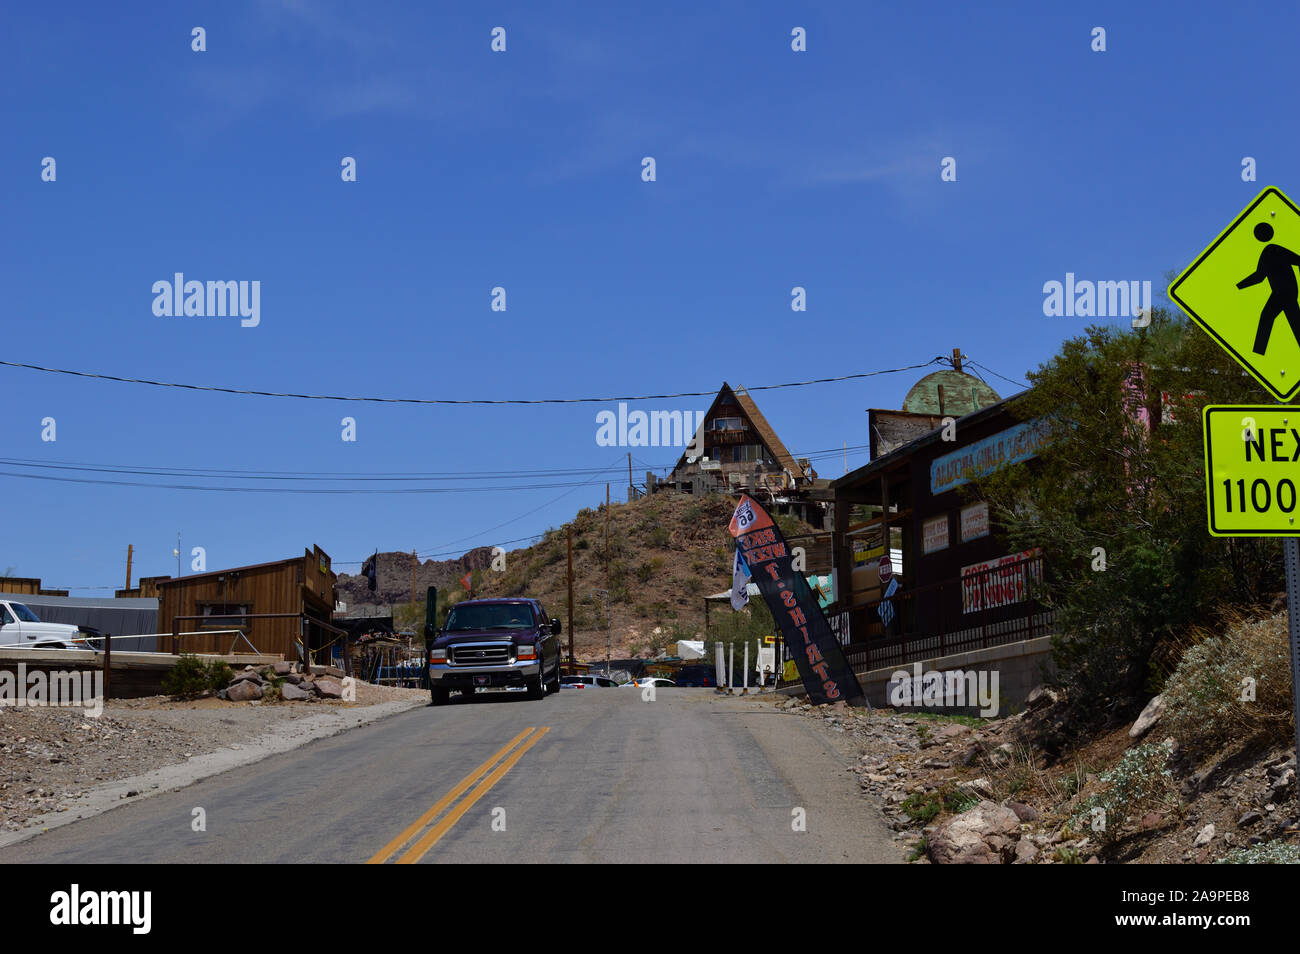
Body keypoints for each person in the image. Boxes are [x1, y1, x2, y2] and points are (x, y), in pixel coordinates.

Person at [1237, 222, 1300, 355]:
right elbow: (1259, 277)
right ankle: (1258, 353)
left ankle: (1258, 352)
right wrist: (1238, 286)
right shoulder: (1270, 251)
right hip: (1281, 293)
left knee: (1286, 320)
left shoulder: (1271, 250)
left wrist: (1238, 287)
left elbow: (1259, 277)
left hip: (1285, 292)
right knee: (1269, 317)